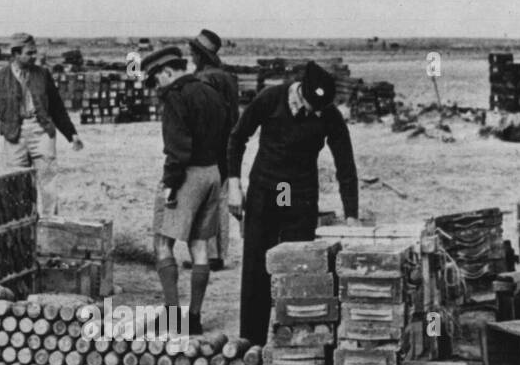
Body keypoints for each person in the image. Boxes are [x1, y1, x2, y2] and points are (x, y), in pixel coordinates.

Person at [226, 60, 360, 345]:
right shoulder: (270, 99)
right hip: (266, 189)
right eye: (311, 107)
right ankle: (251, 341)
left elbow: (345, 165)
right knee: (256, 268)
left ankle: (296, 342)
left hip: (297, 195)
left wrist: (351, 216)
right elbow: (237, 139)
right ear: (301, 92)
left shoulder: (329, 115)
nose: (314, 113)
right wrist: (234, 184)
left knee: (298, 266)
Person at [143, 45, 230, 336]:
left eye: (156, 80)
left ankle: (171, 319)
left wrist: (170, 183)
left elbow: (177, 149)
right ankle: (193, 319)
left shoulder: (176, 97)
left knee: (162, 243)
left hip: (188, 176)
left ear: (167, 72)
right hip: (214, 174)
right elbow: (227, 138)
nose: (158, 87)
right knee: (200, 246)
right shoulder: (212, 92)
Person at [0, 32, 82, 215]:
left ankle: (51, 227)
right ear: (16, 54)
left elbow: (56, 107)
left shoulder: (43, 74)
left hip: (42, 132)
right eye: (29, 53)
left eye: (35, 52)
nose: (34, 57)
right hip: (14, 136)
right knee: (14, 186)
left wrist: (71, 134)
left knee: (48, 184)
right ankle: (21, 228)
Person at [188, 28, 238, 273]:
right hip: (227, 148)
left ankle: (207, 256)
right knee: (221, 202)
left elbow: (201, 118)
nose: (191, 57)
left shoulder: (204, 80)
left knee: (205, 202)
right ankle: (218, 255)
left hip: (207, 150)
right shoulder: (228, 78)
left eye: (194, 53)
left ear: (201, 56)